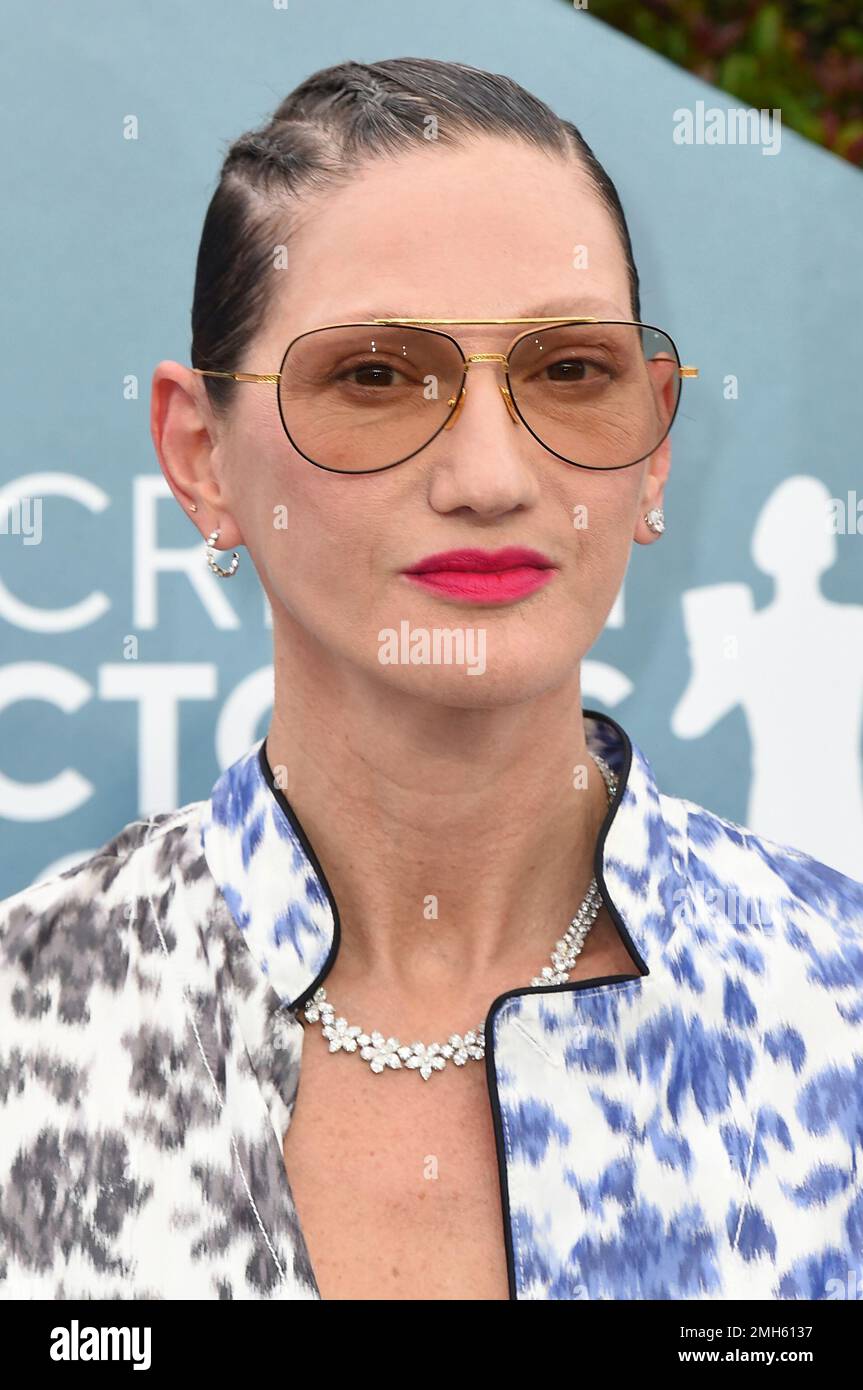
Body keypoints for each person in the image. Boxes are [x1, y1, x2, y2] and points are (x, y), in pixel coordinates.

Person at [1, 56, 861, 1303]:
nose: (487, 478)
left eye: (568, 372)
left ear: (655, 445)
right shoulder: (28, 1028)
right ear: (200, 456)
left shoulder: (835, 1005)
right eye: (374, 376)